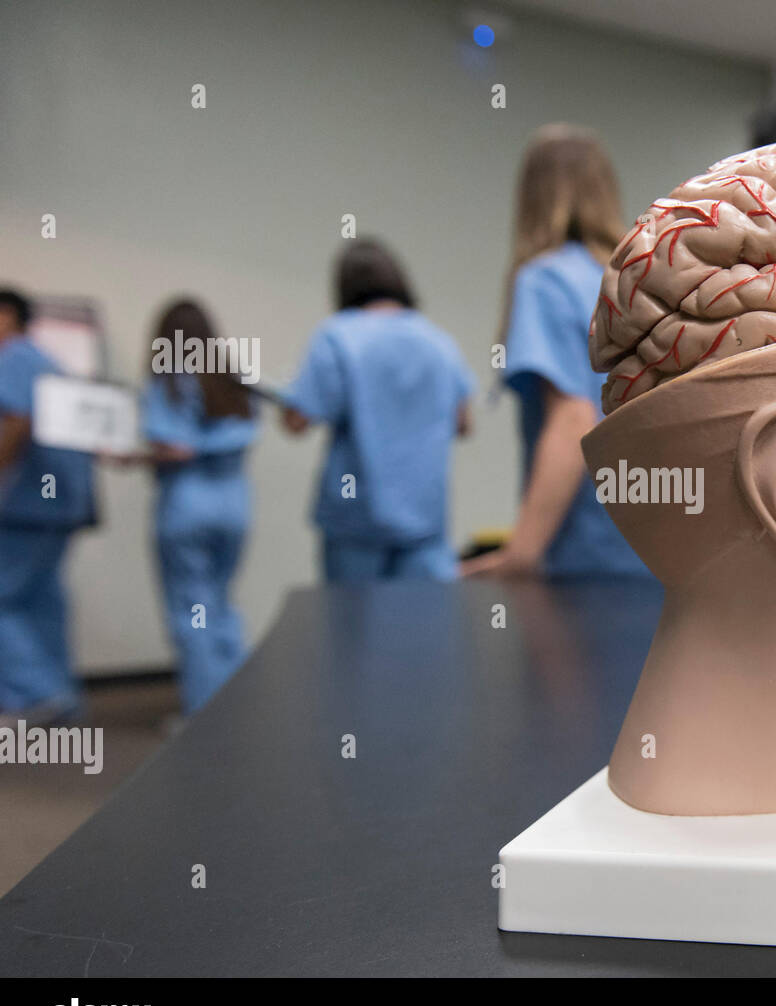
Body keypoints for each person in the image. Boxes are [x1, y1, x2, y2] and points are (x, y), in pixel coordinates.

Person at [462, 124, 651, 580]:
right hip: (655, 543)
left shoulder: (545, 281)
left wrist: (520, 554)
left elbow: (573, 423)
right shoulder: (639, 281)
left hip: (589, 558)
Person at [283, 238, 475, 583]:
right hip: (424, 526)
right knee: (421, 634)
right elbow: (463, 423)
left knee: (353, 633)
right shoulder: (438, 341)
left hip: (357, 527)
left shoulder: (336, 337)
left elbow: (298, 420)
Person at [141, 299, 258, 715]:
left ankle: (203, 718)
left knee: (193, 611)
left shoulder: (171, 380)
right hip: (234, 506)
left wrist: (129, 457)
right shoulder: (234, 381)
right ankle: (232, 705)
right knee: (221, 604)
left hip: (186, 508)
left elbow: (175, 448)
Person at [0, 287, 96, 724]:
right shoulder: (46, 360)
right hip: (61, 504)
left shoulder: (15, 357)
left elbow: (18, 419)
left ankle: (36, 695)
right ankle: (58, 695)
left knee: (6, 599)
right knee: (43, 600)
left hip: (29, 503)